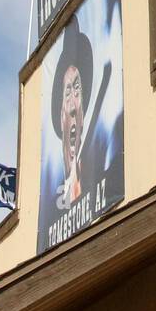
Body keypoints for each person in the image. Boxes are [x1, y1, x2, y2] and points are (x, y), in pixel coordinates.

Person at [51, 18, 94, 211]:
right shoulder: (51, 203)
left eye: (77, 90)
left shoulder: (97, 168)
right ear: (61, 115)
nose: (73, 107)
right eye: (67, 92)